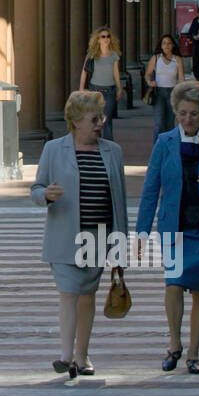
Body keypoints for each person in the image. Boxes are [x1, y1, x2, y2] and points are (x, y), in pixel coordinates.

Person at [136, 80, 199, 375]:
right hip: (174, 226)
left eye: (193, 113)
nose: (187, 119)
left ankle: (194, 352)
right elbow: (150, 188)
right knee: (174, 283)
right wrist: (141, 233)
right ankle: (174, 343)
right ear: (175, 113)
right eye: (182, 113)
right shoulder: (165, 142)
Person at [30, 90, 128, 379]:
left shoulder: (113, 152)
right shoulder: (53, 150)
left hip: (98, 236)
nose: (100, 123)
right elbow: (36, 189)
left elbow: (119, 200)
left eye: (101, 117)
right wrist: (46, 195)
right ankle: (65, 356)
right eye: (94, 118)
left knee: (87, 295)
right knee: (68, 293)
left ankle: (82, 355)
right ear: (75, 122)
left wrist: (120, 243)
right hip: (64, 236)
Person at [78, 26, 123, 142]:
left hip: (110, 91)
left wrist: (119, 87)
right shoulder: (92, 55)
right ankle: (94, 142)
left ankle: (108, 144)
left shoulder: (114, 55)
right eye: (103, 37)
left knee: (106, 119)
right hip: (95, 91)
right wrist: (81, 89)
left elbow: (116, 73)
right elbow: (84, 72)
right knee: (95, 118)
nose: (106, 39)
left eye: (108, 36)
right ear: (98, 39)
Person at [145, 33, 185, 141]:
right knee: (159, 122)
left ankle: (169, 147)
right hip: (159, 92)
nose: (166, 46)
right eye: (164, 43)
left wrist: (182, 94)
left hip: (173, 92)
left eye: (169, 43)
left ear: (173, 45)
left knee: (170, 123)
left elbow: (181, 79)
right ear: (161, 46)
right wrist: (150, 81)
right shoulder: (156, 58)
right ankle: (157, 147)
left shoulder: (177, 59)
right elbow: (148, 73)